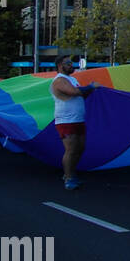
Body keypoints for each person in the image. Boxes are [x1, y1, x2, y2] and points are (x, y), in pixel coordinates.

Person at [50, 55, 98, 190]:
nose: (72, 65)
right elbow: (75, 92)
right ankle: (69, 177)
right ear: (60, 66)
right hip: (66, 120)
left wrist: (91, 89)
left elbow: (82, 94)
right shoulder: (59, 80)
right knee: (71, 150)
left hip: (77, 119)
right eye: (68, 63)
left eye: (71, 62)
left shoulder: (72, 79)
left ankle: (70, 173)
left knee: (80, 148)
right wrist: (91, 86)